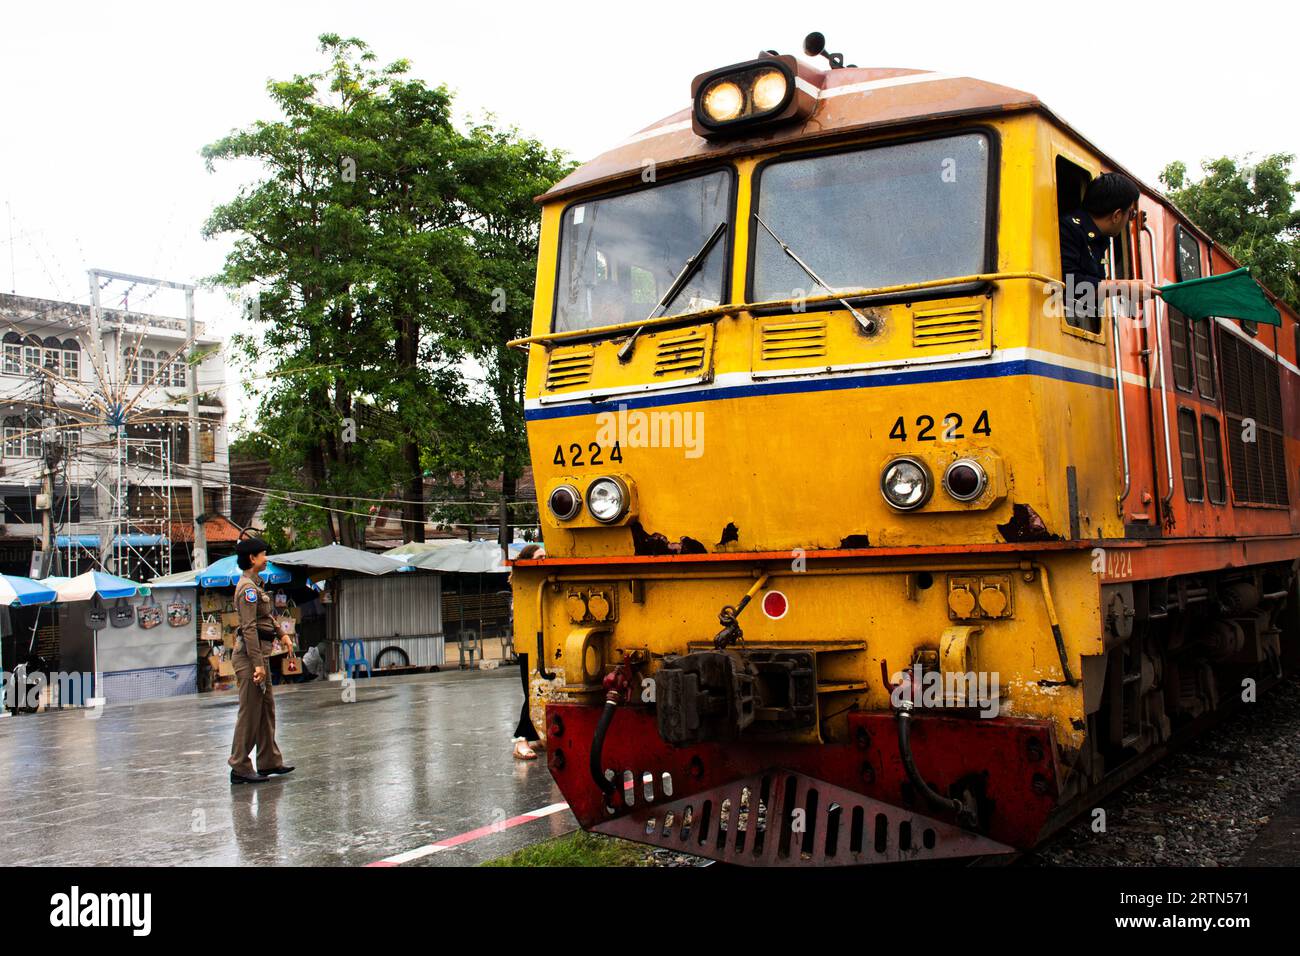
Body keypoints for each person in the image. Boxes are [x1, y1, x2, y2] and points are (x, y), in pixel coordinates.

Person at [227, 536, 295, 784]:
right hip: (249, 658)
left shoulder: (257, 585)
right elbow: (249, 628)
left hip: (261, 655)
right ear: (252, 558)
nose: (266, 558)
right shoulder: (247, 590)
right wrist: (257, 665)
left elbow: (267, 617)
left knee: (266, 710)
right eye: (263, 554)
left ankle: (268, 762)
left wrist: (283, 635)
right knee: (250, 712)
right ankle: (240, 767)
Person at [1060, 172, 1160, 328]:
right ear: (1117, 215)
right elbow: (1068, 283)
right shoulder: (1068, 229)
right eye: (1131, 214)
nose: (1130, 220)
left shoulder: (1099, 240)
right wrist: (1125, 287)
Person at [510, 543, 544, 760]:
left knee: (545, 690)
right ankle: (521, 740)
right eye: (540, 557)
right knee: (532, 694)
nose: (544, 560)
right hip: (529, 645)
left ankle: (538, 735)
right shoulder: (523, 588)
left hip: (544, 643)